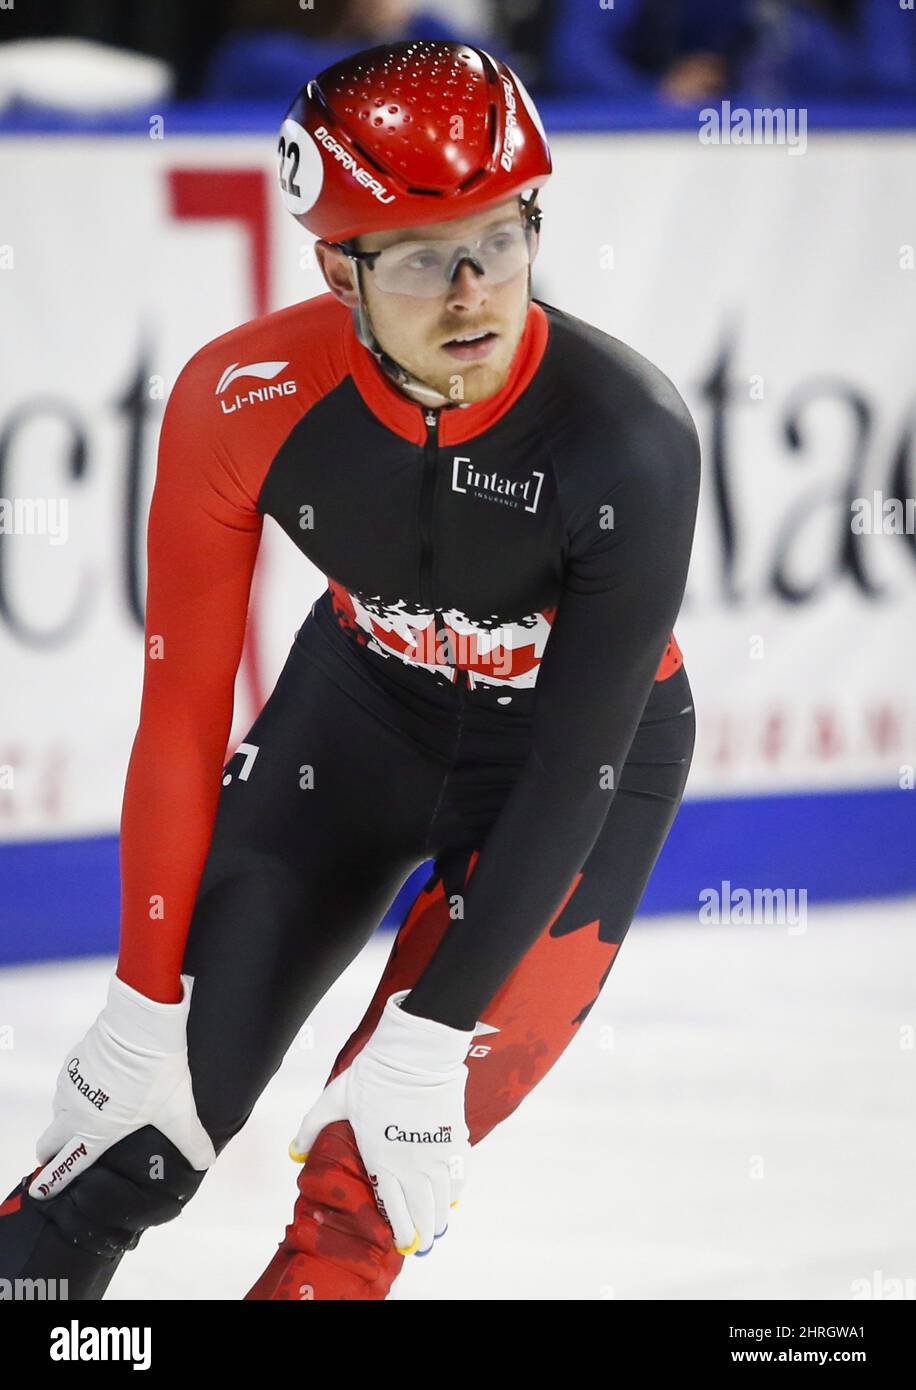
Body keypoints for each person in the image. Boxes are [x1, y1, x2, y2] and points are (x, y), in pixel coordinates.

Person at [0, 38, 700, 1301]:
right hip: (356, 719)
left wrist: (431, 1034)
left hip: (566, 774)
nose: (477, 289)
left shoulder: (628, 439)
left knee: (361, 1186)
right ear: (337, 265)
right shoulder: (242, 397)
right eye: (427, 256)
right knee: (130, 1147)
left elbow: (573, 762)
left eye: (503, 232)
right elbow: (178, 718)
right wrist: (139, 1001)